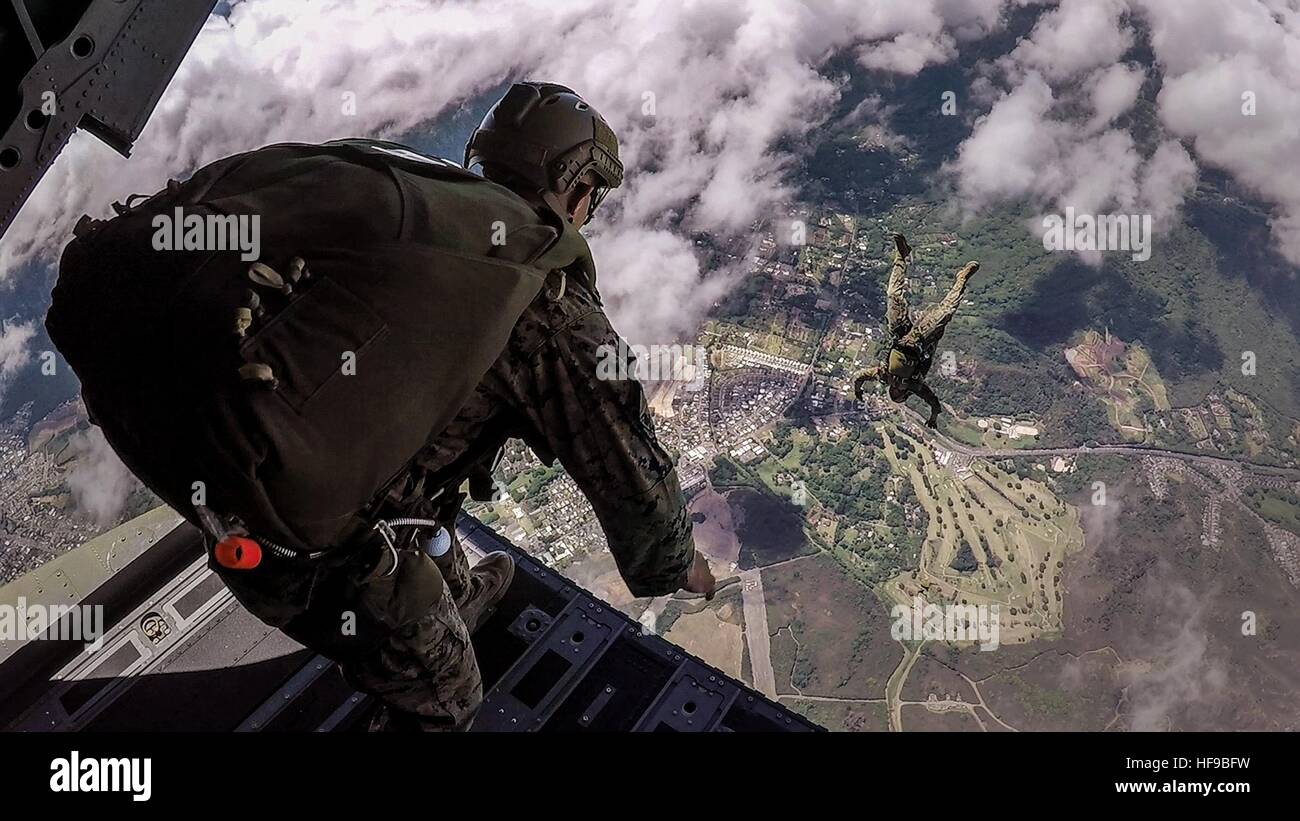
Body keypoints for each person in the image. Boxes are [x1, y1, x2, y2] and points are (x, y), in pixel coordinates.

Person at [853, 233, 979, 428]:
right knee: (946, 310)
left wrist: (858, 390)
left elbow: (860, 376)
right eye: (899, 394)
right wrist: (933, 418)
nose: (896, 390)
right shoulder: (915, 386)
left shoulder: (884, 376)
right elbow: (934, 403)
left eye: (894, 393)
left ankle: (901, 256)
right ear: (904, 395)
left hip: (900, 335)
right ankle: (961, 279)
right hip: (920, 340)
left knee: (893, 295)